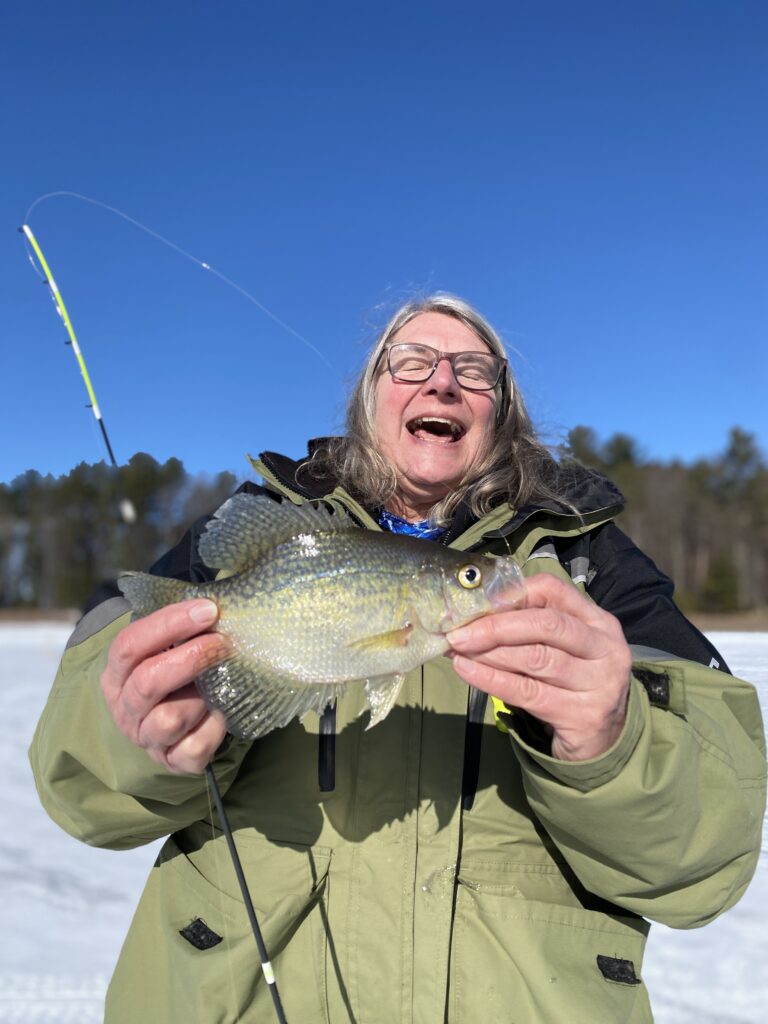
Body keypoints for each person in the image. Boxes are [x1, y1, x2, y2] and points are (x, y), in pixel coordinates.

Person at [30, 294, 765, 1023]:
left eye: (474, 371)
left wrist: (615, 745)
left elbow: (709, 858)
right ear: (368, 398)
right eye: (410, 361)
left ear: (502, 411)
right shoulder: (265, 527)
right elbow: (78, 785)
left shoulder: (588, 562)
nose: (442, 382)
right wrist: (136, 730)